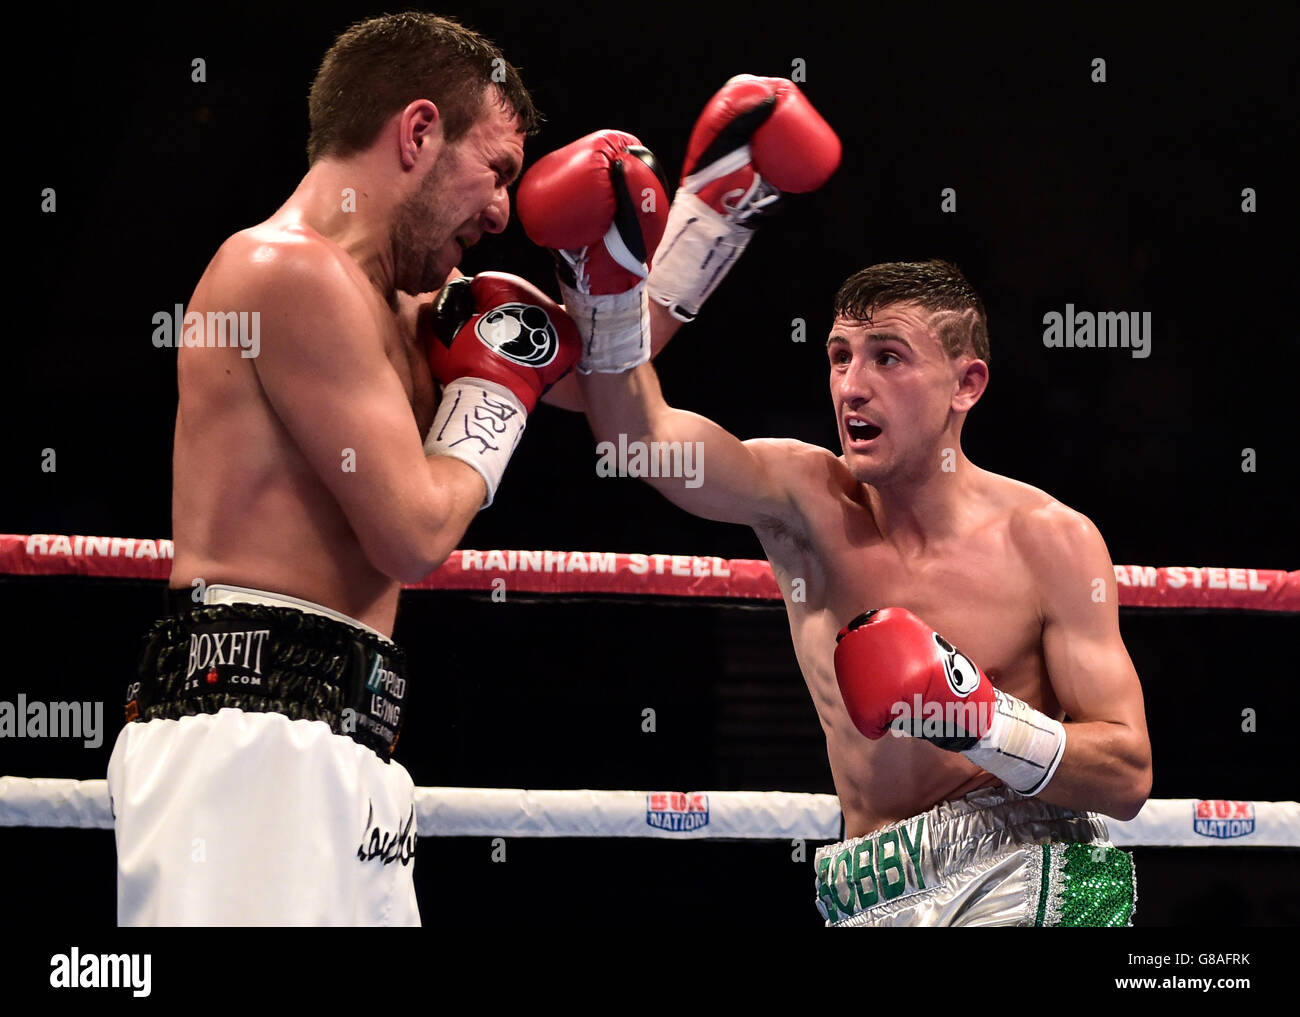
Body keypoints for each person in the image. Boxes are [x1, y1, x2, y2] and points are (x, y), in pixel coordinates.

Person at [526, 76, 1153, 927]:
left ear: (968, 383)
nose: (852, 385)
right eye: (839, 355)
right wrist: (609, 290)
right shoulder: (802, 496)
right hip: (867, 887)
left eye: (888, 357)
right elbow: (637, 439)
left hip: (1024, 862)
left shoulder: (1051, 540)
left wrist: (978, 720)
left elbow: (1126, 776)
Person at [108, 12, 583, 926]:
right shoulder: (281, 270)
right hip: (243, 735)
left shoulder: (408, 309)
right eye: (497, 171)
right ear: (417, 133)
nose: (500, 213)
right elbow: (412, 534)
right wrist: (491, 405)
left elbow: (604, 393)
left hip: (354, 737)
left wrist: (661, 247)